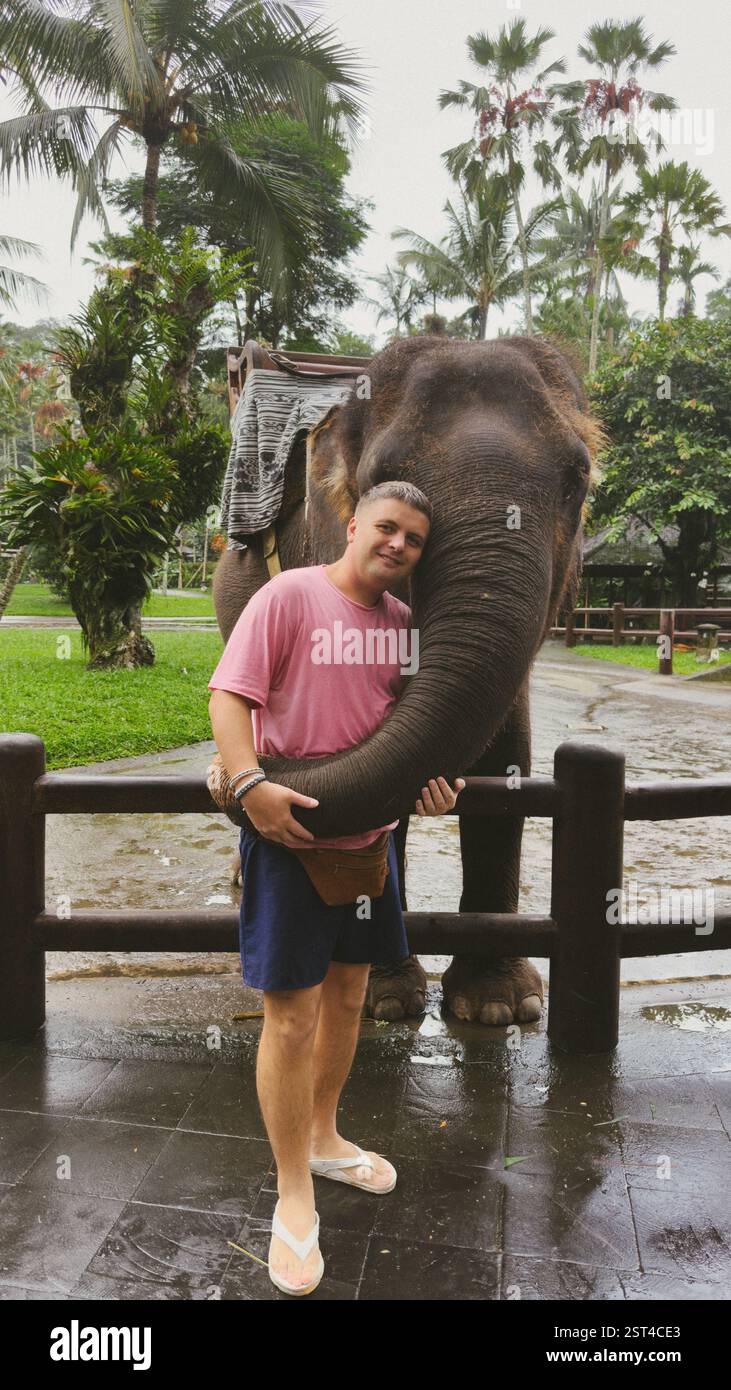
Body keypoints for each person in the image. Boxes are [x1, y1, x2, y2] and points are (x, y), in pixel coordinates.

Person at [207, 480, 464, 1295]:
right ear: (351, 526)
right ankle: (292, 1192)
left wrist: (436, 786)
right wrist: (247, 783)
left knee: (349, 996)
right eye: (386, 528)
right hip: (287, 839)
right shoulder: (288, 596)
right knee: (289, 1017)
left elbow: (413, 731)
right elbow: (229, 695)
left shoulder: (401, 629)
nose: (397, 545)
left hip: (370, 846)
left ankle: (323, 1135)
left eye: (413, 540)